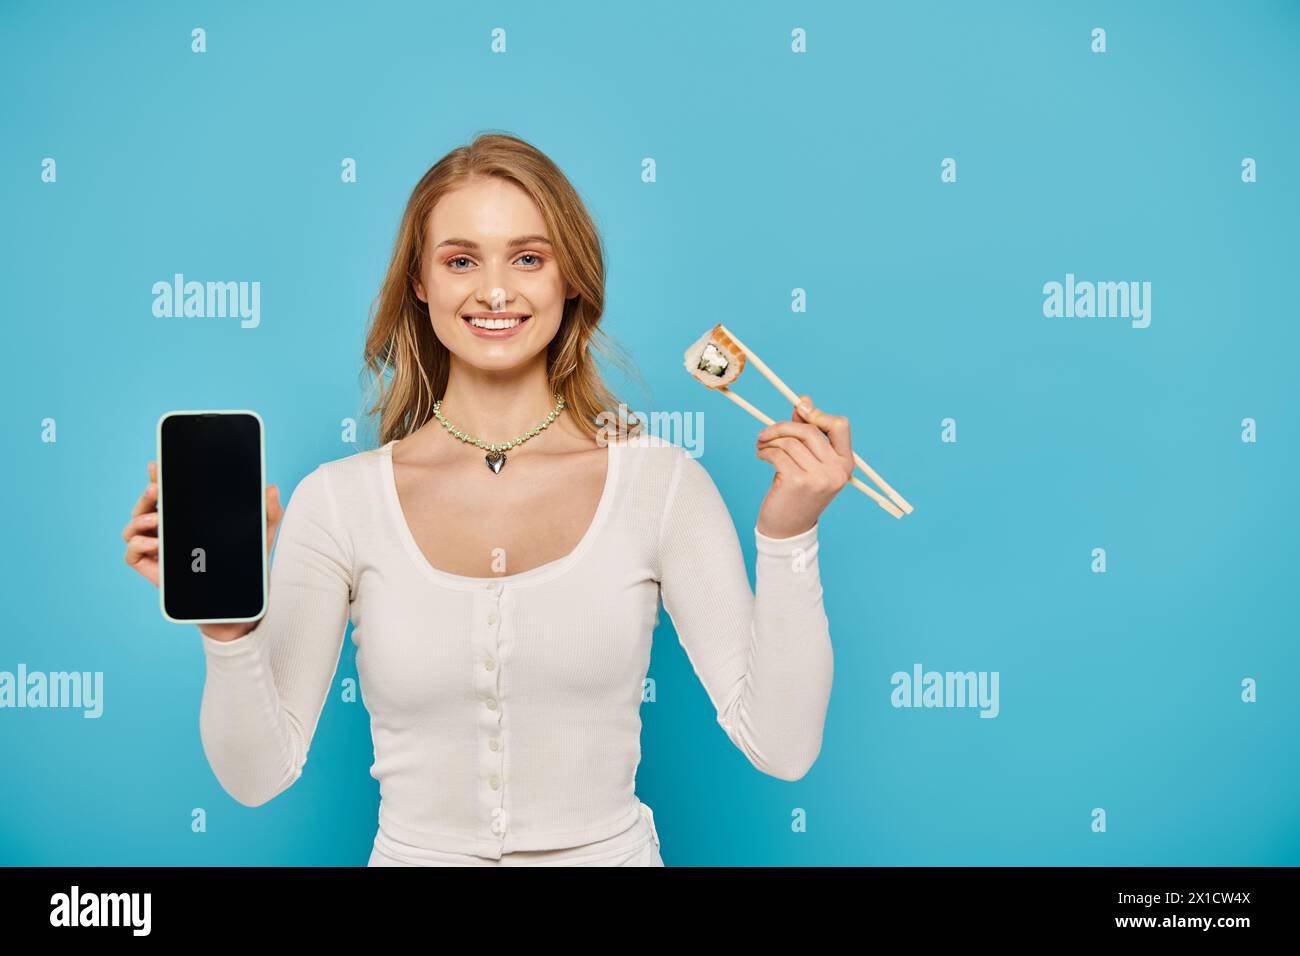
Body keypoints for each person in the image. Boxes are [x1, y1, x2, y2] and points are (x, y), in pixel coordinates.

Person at [124, 132, 849, 866]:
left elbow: (783, 747)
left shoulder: (659, 486)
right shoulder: (339, 503)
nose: (495, 290)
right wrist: (227, 631)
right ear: (419, 281)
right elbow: (256, 778)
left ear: (571, 278)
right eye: (461, 259)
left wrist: (789, 536)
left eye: (528, 258)